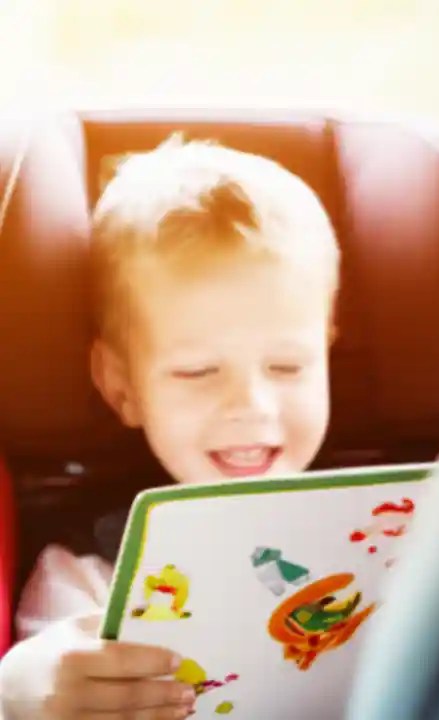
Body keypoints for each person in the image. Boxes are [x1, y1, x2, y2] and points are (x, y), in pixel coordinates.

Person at [0, 135, 341, 719]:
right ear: (121, 386)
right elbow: (46, 688)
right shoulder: (84, 578)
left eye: (287, 366)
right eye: (198, 371)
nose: (251, 404)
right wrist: (19, 695)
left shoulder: (394, 532)